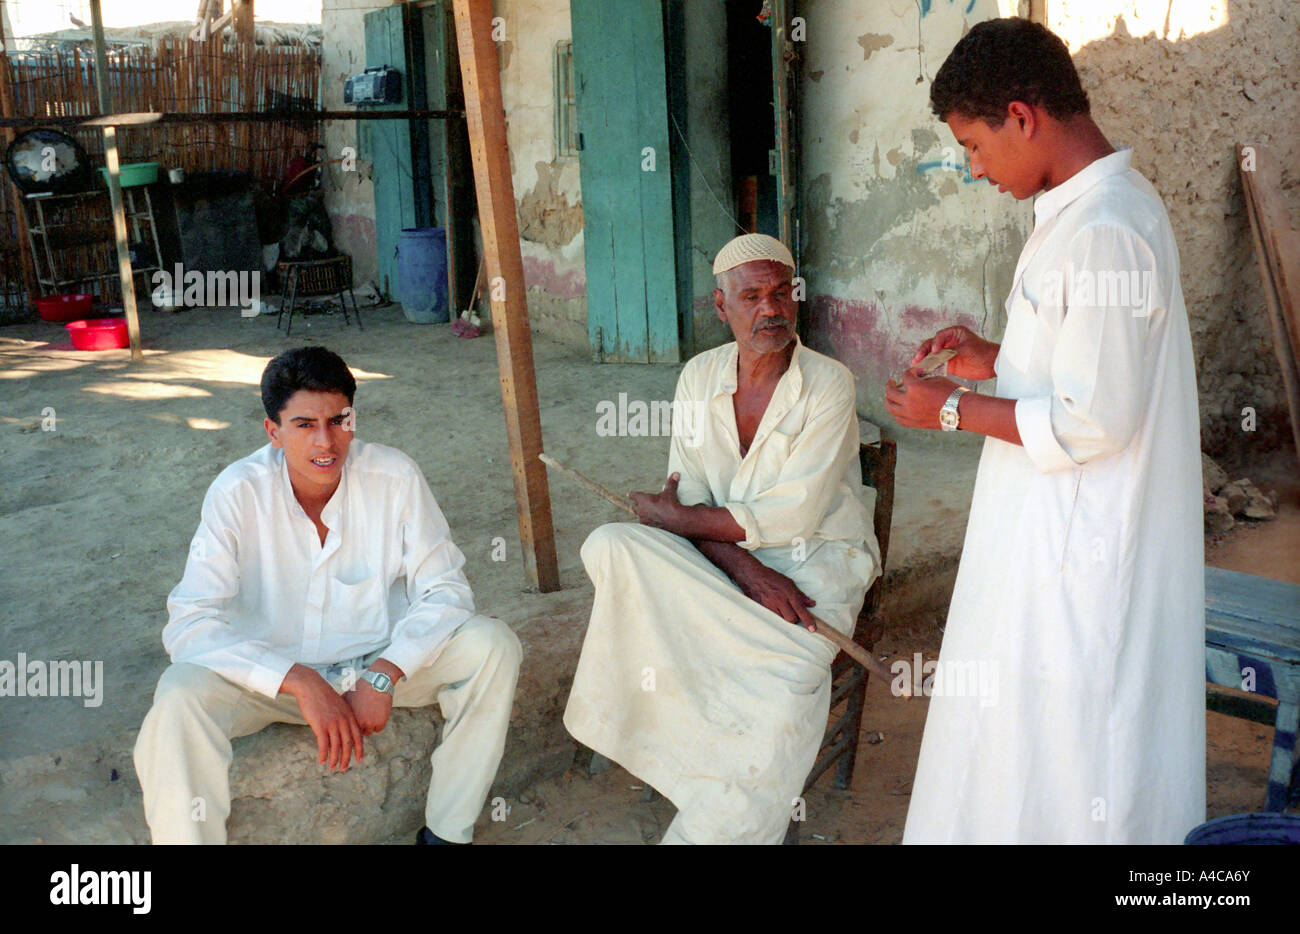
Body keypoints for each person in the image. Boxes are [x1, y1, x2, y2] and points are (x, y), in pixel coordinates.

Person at [886, 18, 1204, 843]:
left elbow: (1095, 419)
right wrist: (996, 357)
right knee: (1021, 747)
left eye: (975, 145)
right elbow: (1084, 361)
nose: (973, 167)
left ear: (1023, 117)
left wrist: (949, 410)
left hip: (1081, 555)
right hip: (1044, 535)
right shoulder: (1082, 213)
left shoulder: (1106, 231)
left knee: (1070, 754)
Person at [564, 233, 881, 844]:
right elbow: (690, 498)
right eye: (753, 296)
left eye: (782, 293)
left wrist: (681, 522)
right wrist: (745, 567)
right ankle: (695, 746)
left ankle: (715, 823)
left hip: (812, 565)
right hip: (729, 562)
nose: (772, 309)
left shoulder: (829, 383)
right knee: (611, 544)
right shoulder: (698, 377)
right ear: (721, 306)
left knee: (778, 707)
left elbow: (789, 516)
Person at [133, 346, 521, 844]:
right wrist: (298, 680)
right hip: (268, 683)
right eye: (303, 424)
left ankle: (446, 834)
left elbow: (446, 590)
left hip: (371, 673)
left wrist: (385, 673)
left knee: (493, 646)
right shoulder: (238, 493)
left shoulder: (394, 477)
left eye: (339, 420)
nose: (326, 441)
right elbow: (189, 624)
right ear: (272, 431)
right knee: (179, 695)